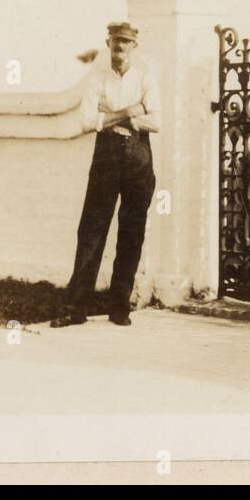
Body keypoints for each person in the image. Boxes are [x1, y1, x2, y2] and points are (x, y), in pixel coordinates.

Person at [52, 21, 160, 328]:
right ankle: (76, 307)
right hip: (106, 157)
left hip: (138, 157)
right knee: (92, 230)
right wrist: (129, 112)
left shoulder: (145, 78)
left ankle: (119, 306)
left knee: (131, 231)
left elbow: (157, 121)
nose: (120, 47)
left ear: (134, 46)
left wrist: (108, 117)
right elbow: (86, 121)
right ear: (108, 43)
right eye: (115, 41)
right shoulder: (97, 80)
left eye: (125, 42)